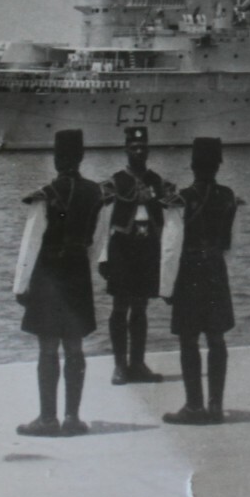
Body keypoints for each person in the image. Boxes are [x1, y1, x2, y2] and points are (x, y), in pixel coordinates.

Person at [17, 129, 106, 436]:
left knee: (47, 346)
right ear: (81, 157)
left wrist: (20, 285)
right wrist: (83, 265)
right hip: (78, 271)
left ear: (56, 158)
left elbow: (31, 242)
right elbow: (97, 240)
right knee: (74, 345)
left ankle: (47, 418)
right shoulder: (96, 193)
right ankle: (72, 417)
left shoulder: (46, 193)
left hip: (49, 271)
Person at [162, 137, 240, 425]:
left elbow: (171, 248)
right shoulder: (229, 196)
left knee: (188, 339)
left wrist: (166, 286)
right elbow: (231, 242)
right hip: (216, 270)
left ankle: (194, 406)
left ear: (192, 165)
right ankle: (216, 405)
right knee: (217, 338)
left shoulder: (181, 199)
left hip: (190, 271)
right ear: (218, 165)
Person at [101, 126, 174, 385]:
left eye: (143, 147)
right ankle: (120, 366)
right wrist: (102, 257)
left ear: (148, 150)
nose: (139, 151)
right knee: (120, 308)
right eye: (134, 147)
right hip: (122, 250)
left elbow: (174, 210)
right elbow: (102, 219)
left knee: (141, 307)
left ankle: (138, 362)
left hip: (148, 249)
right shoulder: (115, 182)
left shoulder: (158, 182)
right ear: (126, 150)